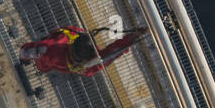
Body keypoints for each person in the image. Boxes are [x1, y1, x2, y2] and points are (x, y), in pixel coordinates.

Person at [18, 26, 147, 76]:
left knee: (41, 61)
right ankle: (34, 64)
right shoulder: (88, 66)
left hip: (48, 59)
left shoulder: (54, 46)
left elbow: (26, 50)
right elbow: (112, 53)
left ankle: (29, 63)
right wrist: (133, 36)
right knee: (42, 63)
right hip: (50, 61)